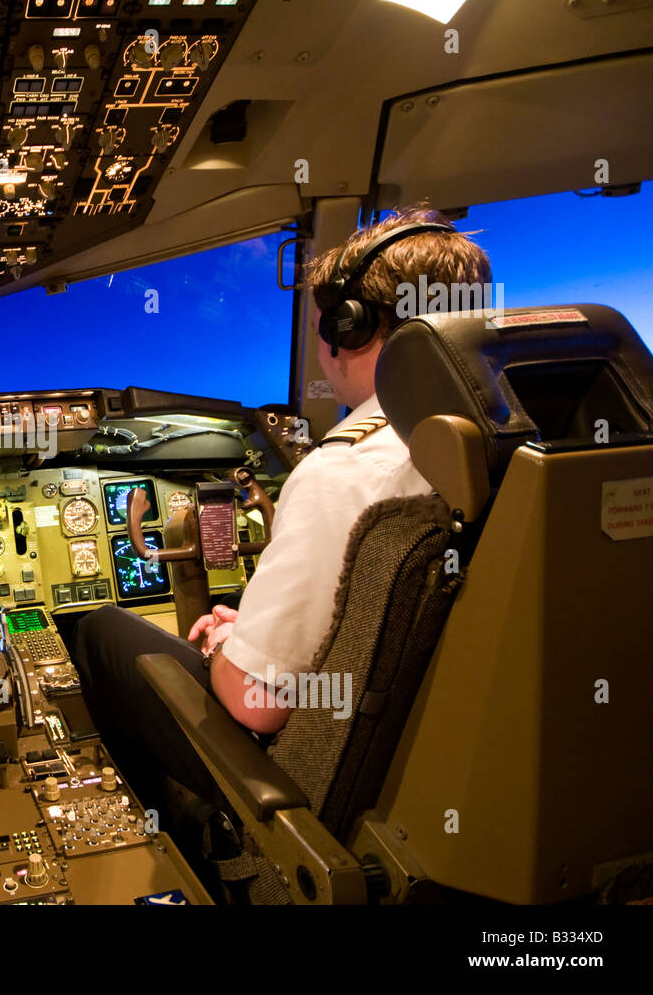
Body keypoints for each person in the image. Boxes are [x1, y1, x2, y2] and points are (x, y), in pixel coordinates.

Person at [71, 203, 493, 837]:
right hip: (449, 738)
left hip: (318, 769)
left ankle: (193, 848)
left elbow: (261, 704)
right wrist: (258, 640)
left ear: (348, 328)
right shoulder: (523, 439)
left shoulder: (347, 469)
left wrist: (223, 646)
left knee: (102, 632)